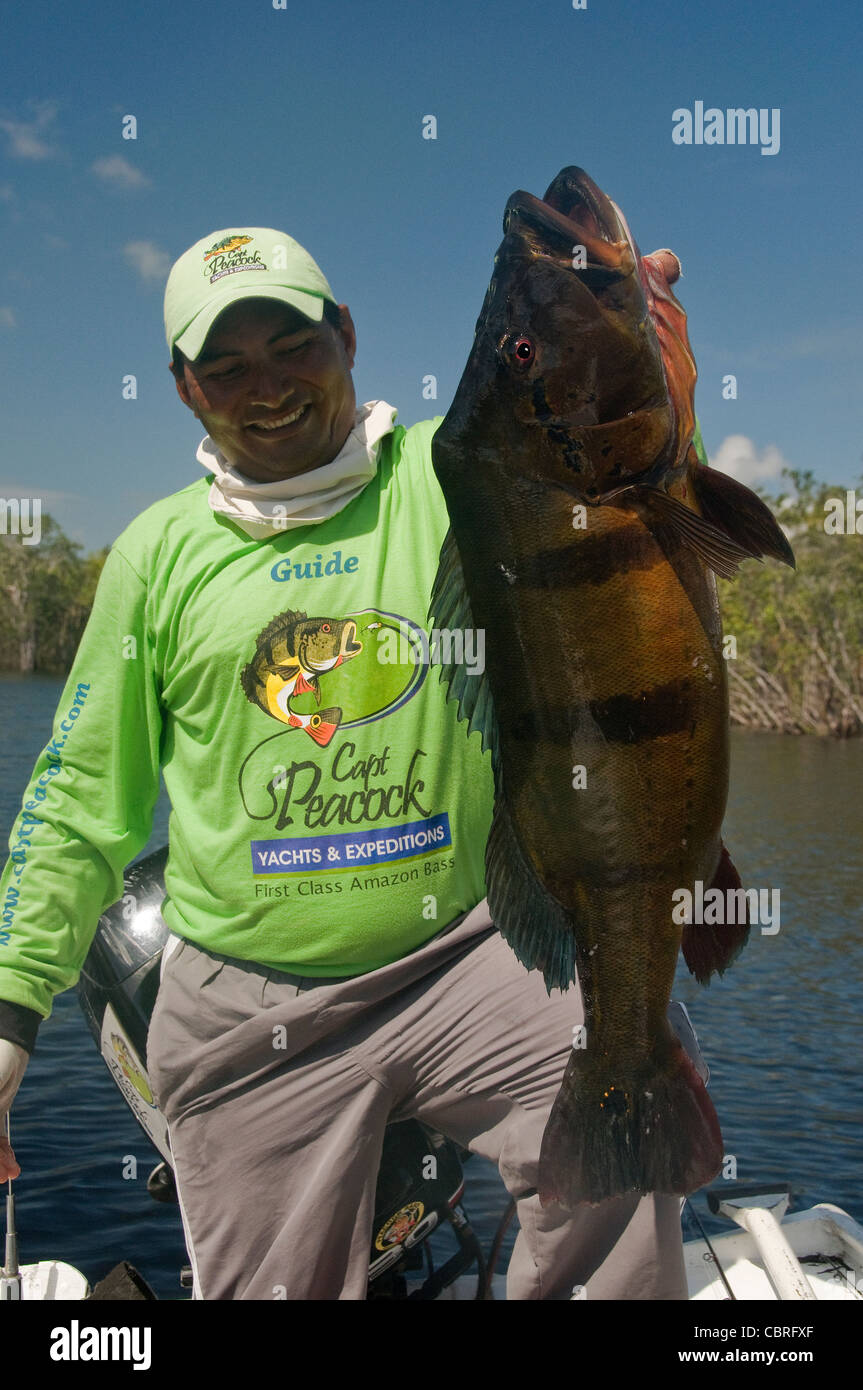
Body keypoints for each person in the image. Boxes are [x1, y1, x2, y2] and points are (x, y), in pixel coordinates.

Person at [0, 225, 700, 1299]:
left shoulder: (451, 472)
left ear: (348, 337)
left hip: (473, 953)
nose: (265, 386)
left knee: (626, 1099)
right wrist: (9, 1016)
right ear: (184, 389)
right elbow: (81, 803)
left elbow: (616, 523)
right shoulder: (155, 555)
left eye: (293, 346)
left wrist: (636, 358)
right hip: (248, 1004)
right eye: (225, 365)